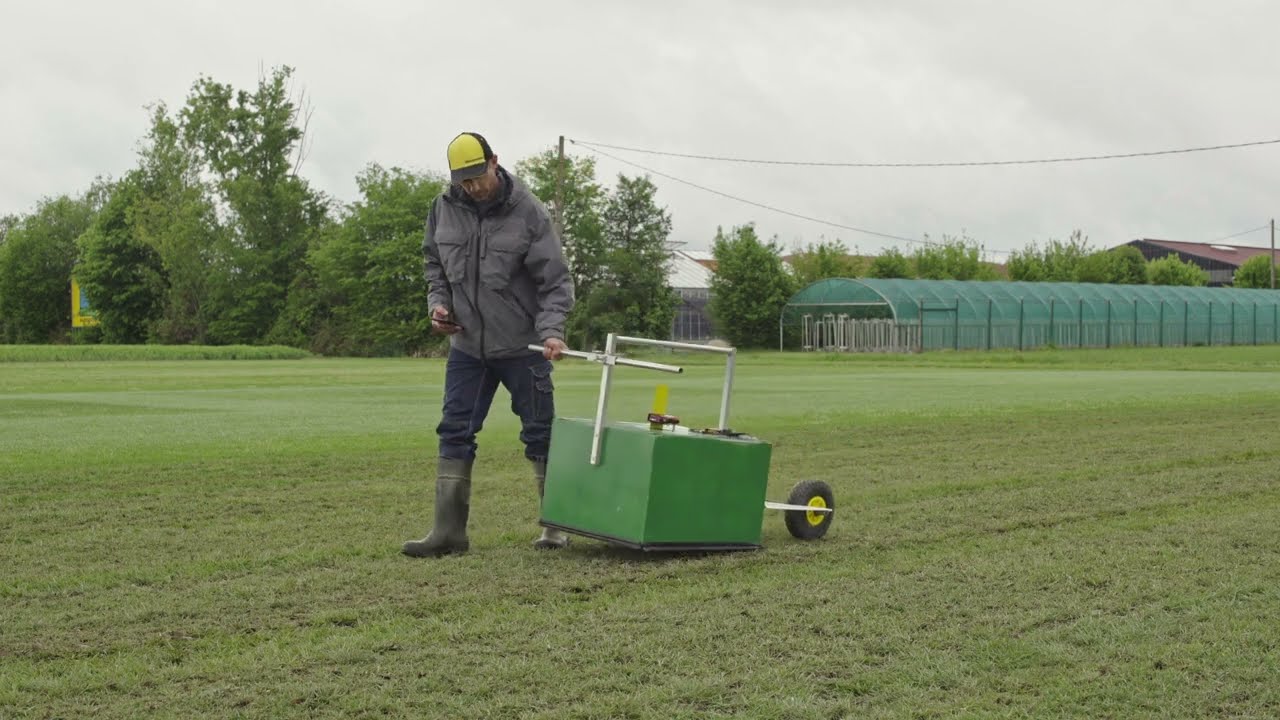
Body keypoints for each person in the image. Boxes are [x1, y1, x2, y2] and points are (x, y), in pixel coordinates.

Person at [403, 131, 574, 558]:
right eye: (464, 181)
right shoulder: (442, 208)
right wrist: (438, 305)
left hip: (523, 348)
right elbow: (433, 264)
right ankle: (448, 533)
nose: (473, 187)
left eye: (478, 177)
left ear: (494, 162)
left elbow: (554, 281)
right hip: (467, 348)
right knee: (454, 431)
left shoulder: (529, 213)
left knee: (540, 433)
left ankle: (554, 528)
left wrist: (552, 330)